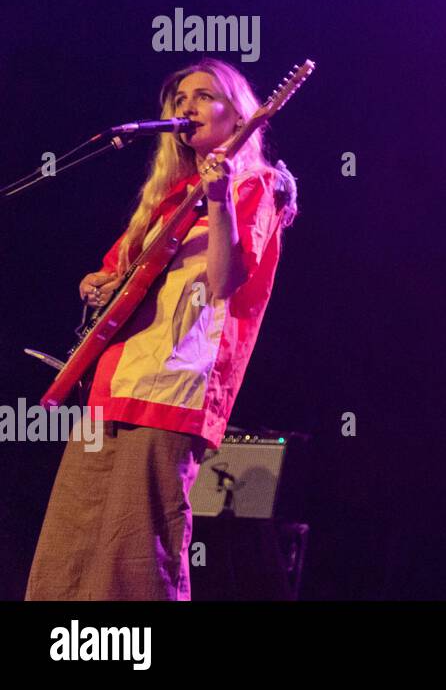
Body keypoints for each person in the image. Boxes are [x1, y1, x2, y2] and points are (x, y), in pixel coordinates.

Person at [26, 58, 299, 600]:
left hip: (174, 385)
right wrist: (95, 284)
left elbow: (225, 282)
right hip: (114, 379)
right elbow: (116, 275)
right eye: (179, 101)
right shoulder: (170, 197)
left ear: (239, 111)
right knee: (73, 541)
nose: (186, 108)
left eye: (202, 96)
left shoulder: (255, 187)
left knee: (136, 550)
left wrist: (218, 200)